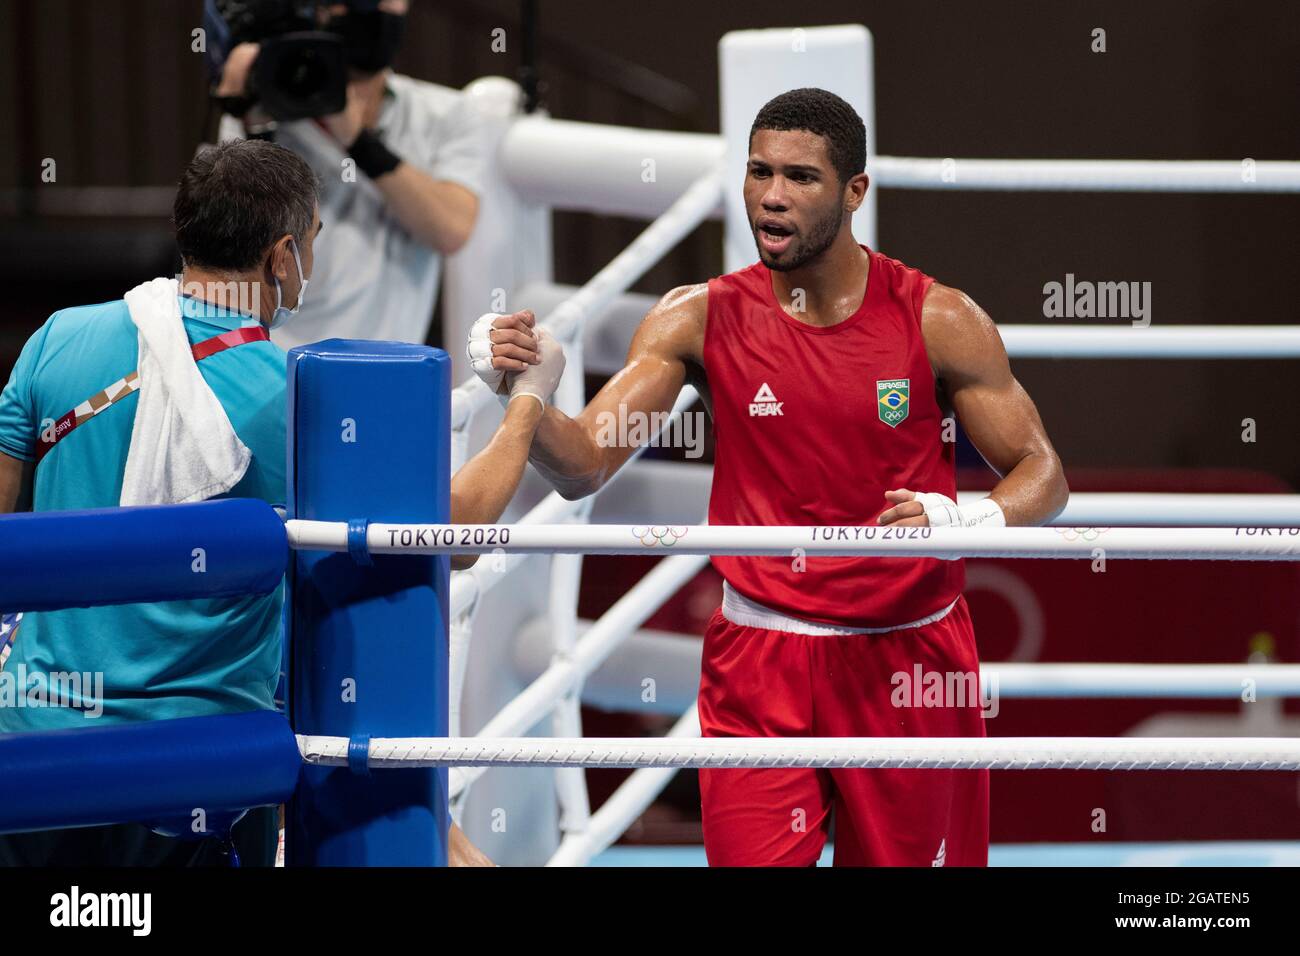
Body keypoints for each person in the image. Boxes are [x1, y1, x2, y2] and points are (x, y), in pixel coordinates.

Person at [469, 88, 1069, 866]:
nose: (773, 197)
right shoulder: (697, 317)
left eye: (801, 177)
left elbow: (1044, 474)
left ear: (855, 191)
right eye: (759, 172)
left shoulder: (937, 318)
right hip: (760, 663)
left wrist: (971, 519)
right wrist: (526, 391)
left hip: (907, 664)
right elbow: (584, 463)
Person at [0, 138, 563, 867]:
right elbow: (444, 535)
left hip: (36, 758)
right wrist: (528, 404)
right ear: (284, 255)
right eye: (316, 244)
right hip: (191, 775)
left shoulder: (56, 339)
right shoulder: (294, 400)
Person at [212, 0, 484, 350]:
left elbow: (451, 229)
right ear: (321, 11)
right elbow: (224, 246)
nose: (377, 10)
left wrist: (357, 140)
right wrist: (250, 121)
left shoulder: (447, 113)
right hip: (277, 364)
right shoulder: (268, 107)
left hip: (384, 369)